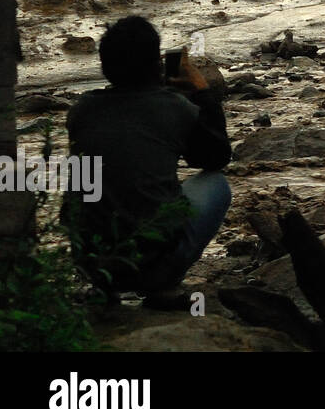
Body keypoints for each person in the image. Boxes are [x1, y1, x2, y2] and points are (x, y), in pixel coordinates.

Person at [62, 16, 231, 305]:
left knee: (96, 191)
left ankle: (105, 291)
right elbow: (215, 158)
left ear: (105, 67)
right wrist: (202, 92)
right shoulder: (174, 107)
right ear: (157, 64)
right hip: (155, 266)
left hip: (95, 265)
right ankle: (163, 287)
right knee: (215, 184)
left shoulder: (81, 111)